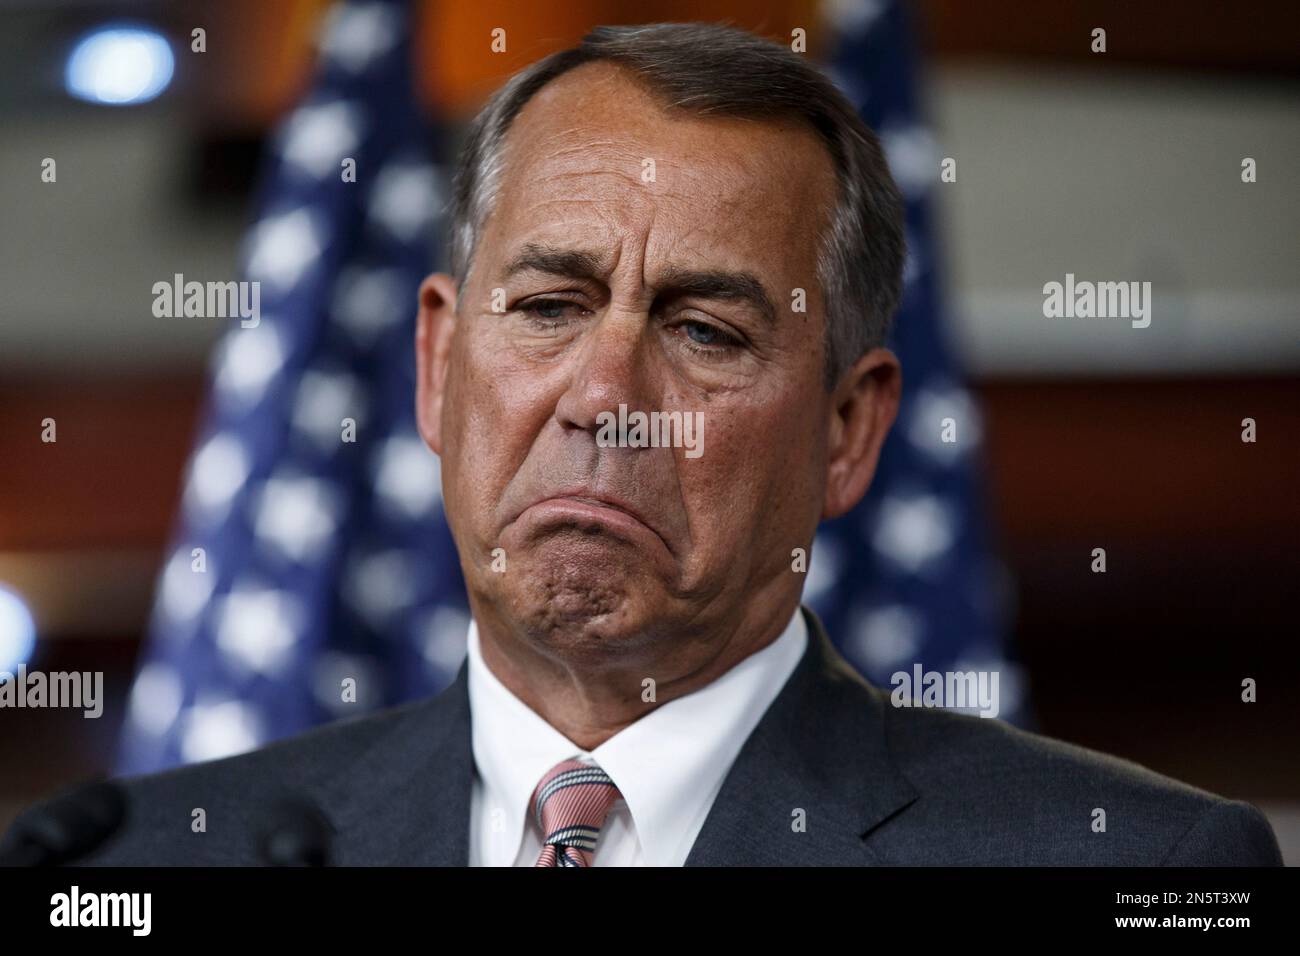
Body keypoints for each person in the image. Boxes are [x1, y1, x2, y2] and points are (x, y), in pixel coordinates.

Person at [4, 22, 1281, 866]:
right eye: (549, 307)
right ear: (439, 364)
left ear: (849, 428)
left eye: (707, 328)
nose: (603, 393)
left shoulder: (1130, 864)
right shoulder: (145, 864)